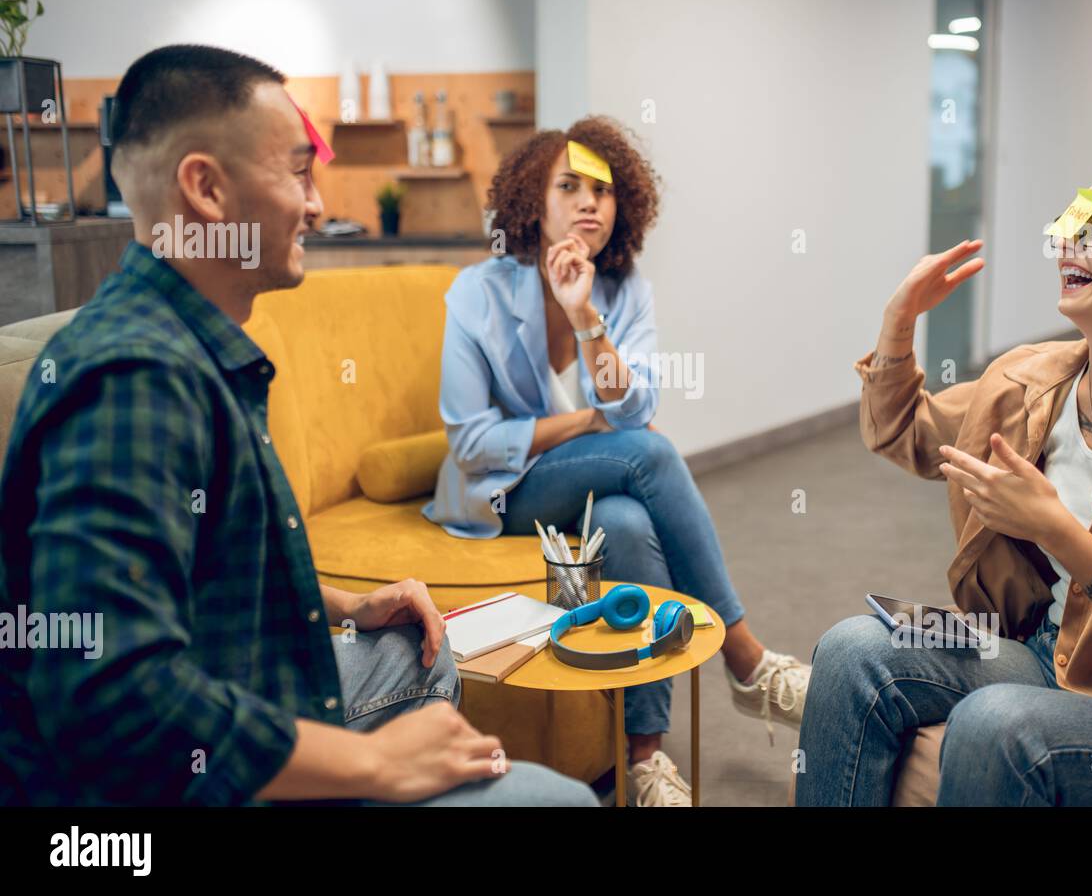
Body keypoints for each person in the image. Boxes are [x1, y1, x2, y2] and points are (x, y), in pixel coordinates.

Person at [0, 44, 595, 807]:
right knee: (562, 802)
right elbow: (112, 700)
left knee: (414, 650)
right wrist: (376, 765)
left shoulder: (195, 346)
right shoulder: (134, 378)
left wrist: (348, 604)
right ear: (206, 189)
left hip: (230, 679)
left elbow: (204, 570)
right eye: (298, 172)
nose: (316, 206)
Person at [796, 137, 1092, 807]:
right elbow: (904, 432)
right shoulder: (1030, 379)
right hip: (1038, 650)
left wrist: (1060, 534)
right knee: (852, 649)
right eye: (1073, 218)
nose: (1068, 240)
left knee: (995, 722)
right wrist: (897, 323)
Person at [426, 116, 810, 805]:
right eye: (569, 186)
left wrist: (584, 318)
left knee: (628, 523)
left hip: (598, 483)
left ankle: (644, 756)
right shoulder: (476, 294)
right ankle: (747, 660)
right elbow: (472, 444)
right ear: (531, 202)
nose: (589, 203)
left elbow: (634, 406)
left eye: (602, 191)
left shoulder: (624, 290)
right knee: (650, 453)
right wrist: (587, 421)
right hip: (504, 491)